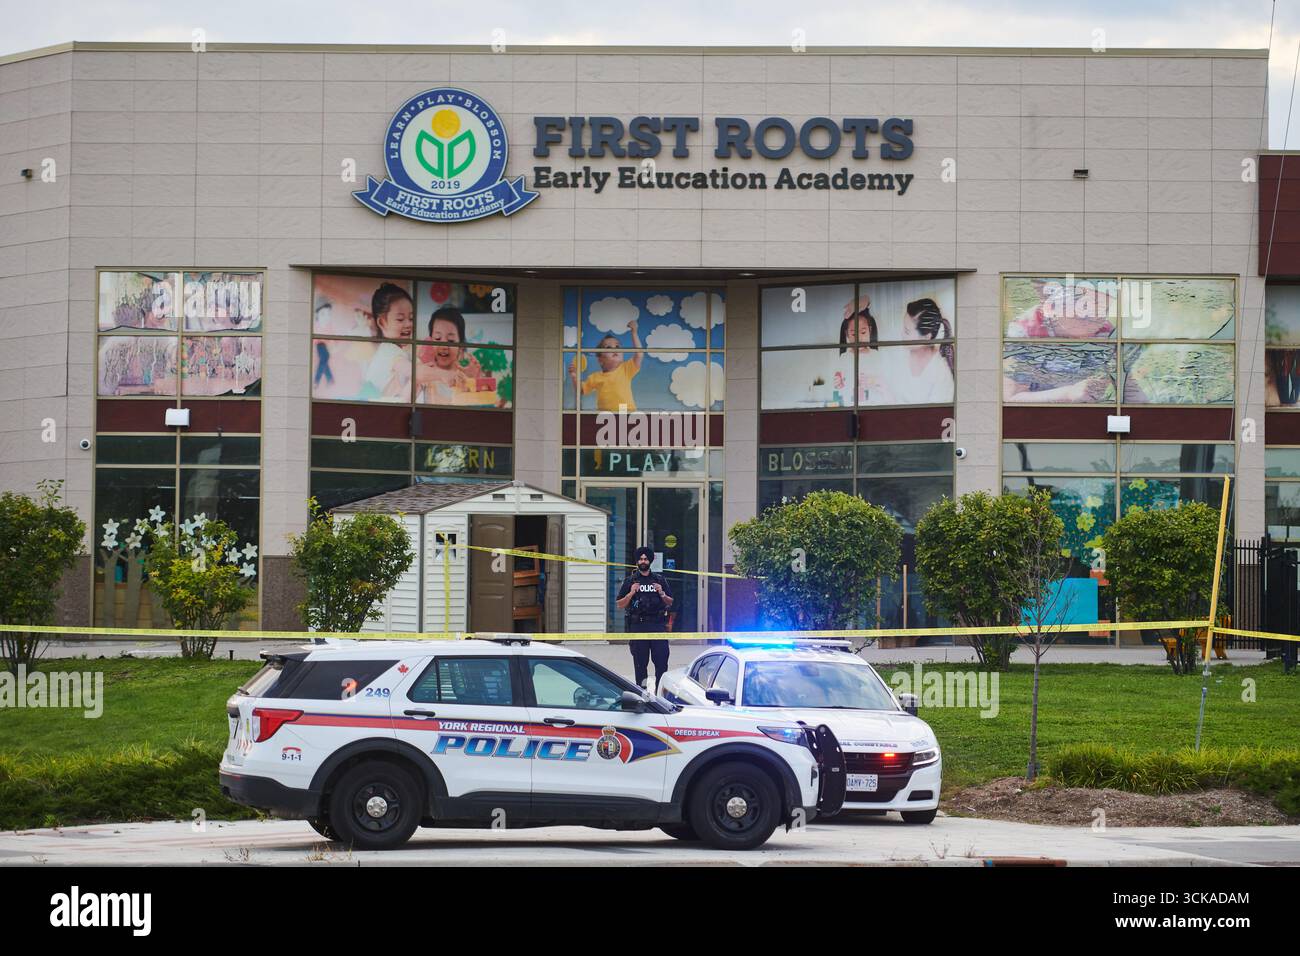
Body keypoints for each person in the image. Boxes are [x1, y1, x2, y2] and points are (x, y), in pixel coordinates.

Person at [615, 545, 673, 692]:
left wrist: (661, 593)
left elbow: (670, 602)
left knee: (661, 662)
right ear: (637, 561)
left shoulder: (659, 580)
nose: (643, 561)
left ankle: (660, 693)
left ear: (650, 561)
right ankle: (642, 694)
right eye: (640, 559)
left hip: (657, 626)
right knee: (640, 664)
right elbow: (620, 604)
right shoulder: (630, 581)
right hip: (638, 626)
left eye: (646, 559)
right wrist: (630, 593)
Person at [570, 320, 643, 411]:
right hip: (605, 415)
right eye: (608, 347)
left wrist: (634, 333)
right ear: (600, 360)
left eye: (617, 346)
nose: (614, 349)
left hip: (626, 411)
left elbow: (639, 354)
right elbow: (581, 390)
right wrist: (574, 376)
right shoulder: (595, 377)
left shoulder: (625, 369)